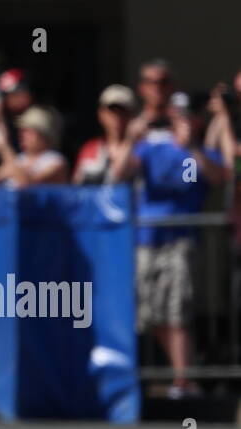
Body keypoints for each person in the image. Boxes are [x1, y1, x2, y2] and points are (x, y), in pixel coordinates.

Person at [110, 61, 229, 397]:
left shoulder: (193, 153)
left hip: (179, 240)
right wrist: (128, 140)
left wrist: (189, 146)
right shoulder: (147, 145)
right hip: (146, 240)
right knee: (151, 312)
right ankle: (176, 375)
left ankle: (183, 380)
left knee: (177, 310)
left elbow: (212, 179)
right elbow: (119, 176)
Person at [0, 105, 68, 186]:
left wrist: (3, 146)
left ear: (45, 135)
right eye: (22, 131)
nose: (22, 135)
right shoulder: (19, 160)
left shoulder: (56, 162)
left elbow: (25, 183)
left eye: (29, 131)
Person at [74, 85, 136, 184]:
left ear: (132, 115)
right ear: (101, 114)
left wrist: (130, 141)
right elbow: (78, 185)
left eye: (122, 112)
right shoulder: (90, 148)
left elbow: (118, 175)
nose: (117, 117)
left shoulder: (141, 148)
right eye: (112, 111)